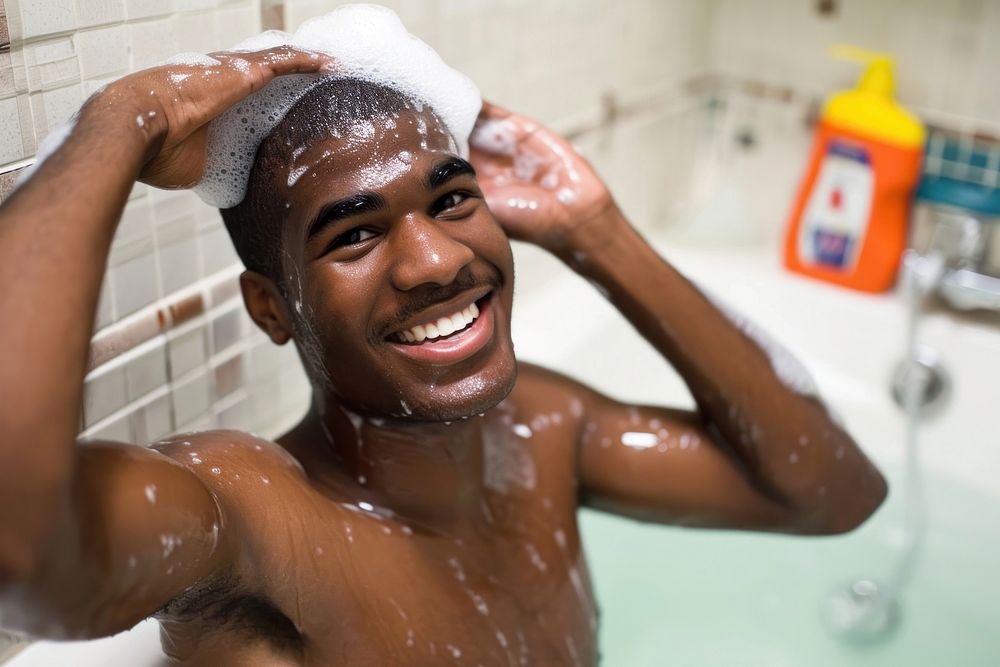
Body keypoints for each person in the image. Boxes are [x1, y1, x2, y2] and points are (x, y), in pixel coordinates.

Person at [0, 46, 886, 666]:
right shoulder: (255, 521)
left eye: (453, 199)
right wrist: (120, 123)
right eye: (354, 234)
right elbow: (18, 546)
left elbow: (833, 493)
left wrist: (596, 233)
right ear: (271, 307)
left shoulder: (540, 428)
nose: (436, 261)